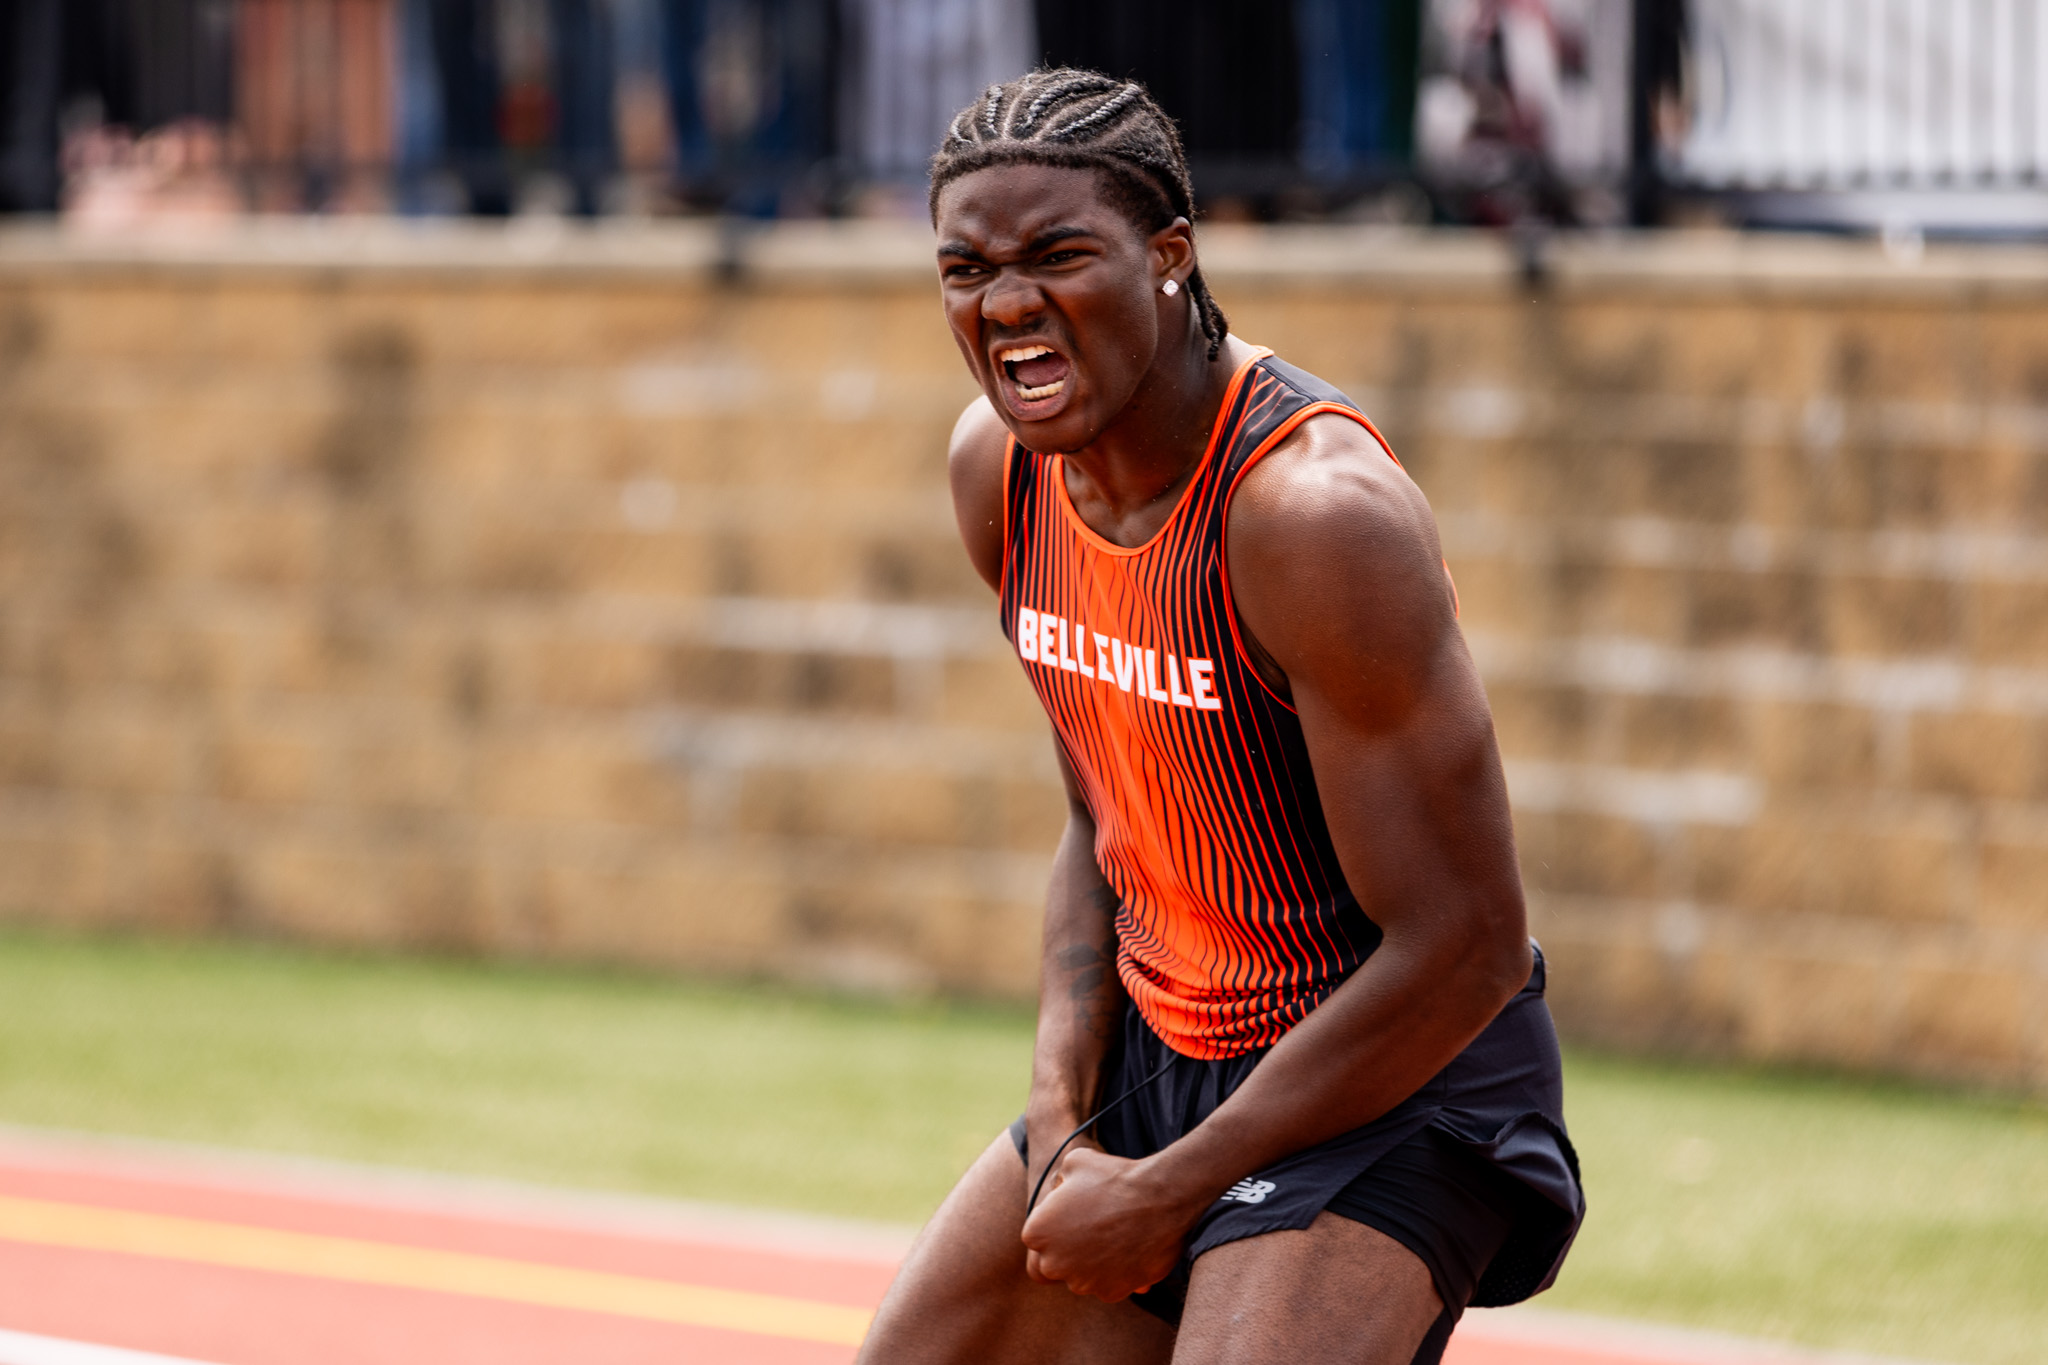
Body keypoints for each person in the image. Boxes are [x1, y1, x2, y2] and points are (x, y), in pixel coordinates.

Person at [854, 69, 1584, 1365]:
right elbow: (1101, 825)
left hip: (1394, 1075)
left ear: (1170, 255)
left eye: (1057, 255)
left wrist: (1172, 1186)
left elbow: (1469, 943)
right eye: (966, 269)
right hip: (1166, 1049)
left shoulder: (1310, 517)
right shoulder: (1000, 476)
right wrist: (1060, 1122)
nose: (1005, 302)